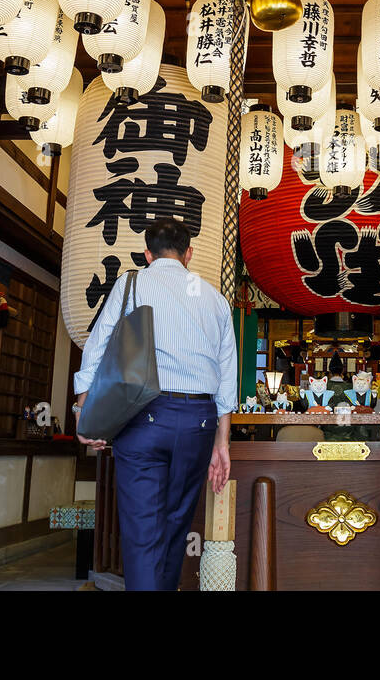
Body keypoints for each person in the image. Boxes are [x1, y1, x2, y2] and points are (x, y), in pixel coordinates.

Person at [73, 218, 237, 591]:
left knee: (143, 534)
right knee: (176, 528)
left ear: (147, 254)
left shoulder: (132, 283)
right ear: (189, 254)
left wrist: (85, 412)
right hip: (199, 422)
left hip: (143, 418)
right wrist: (221, 444)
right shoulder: (215, 299)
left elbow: (97, 348)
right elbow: (227, 378)